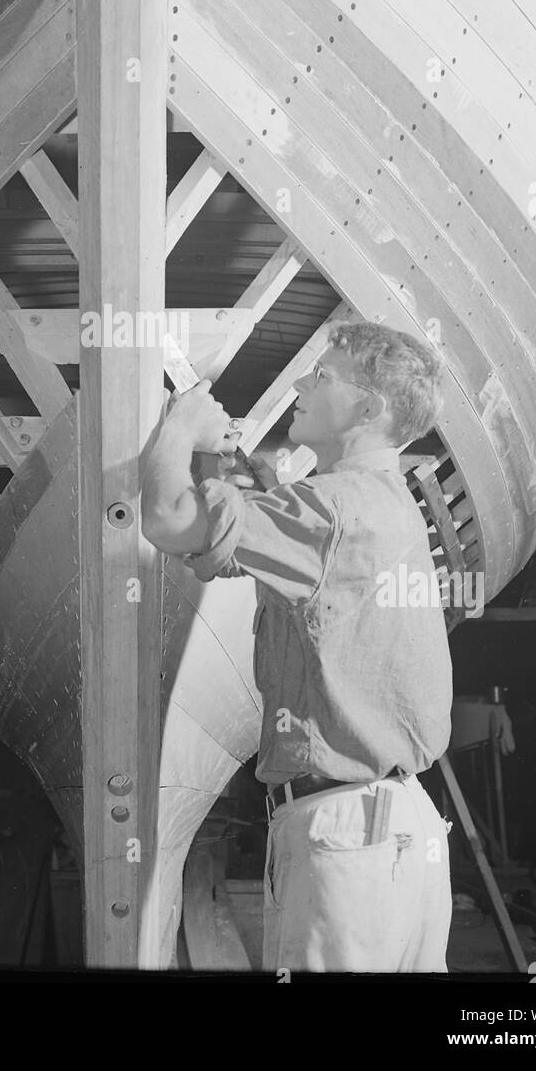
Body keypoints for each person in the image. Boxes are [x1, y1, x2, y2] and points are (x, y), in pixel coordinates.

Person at [141, 320, 453, 972]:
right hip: (406, 832)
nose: (303, 382)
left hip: (345, 842)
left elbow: (169, 519)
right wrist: (215, 465)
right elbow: (247, 551)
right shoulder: (387, 505)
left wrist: (179, 425)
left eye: (324, 375)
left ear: (370, 408)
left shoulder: (326, 511)